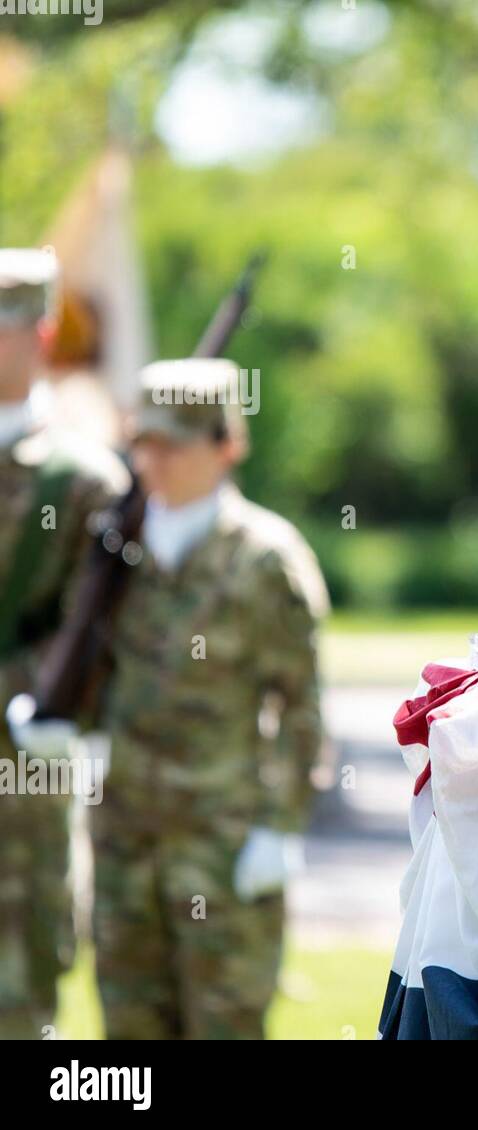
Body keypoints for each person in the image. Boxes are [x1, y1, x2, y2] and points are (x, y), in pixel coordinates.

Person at [91, 358, 330, 1039]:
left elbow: (301, 705)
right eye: (146, 442)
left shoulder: (265, 559)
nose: (155, 459)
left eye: (175, 443)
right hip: (125, 841)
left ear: (227, 444)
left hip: (222, 846)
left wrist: (279, 827)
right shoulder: (116, 547)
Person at [0, 248, 130, 1039]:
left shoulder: (83, 477)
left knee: (25, 963)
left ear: (42, 335)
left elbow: (114, 626)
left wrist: (72, 712)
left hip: (30, 756)